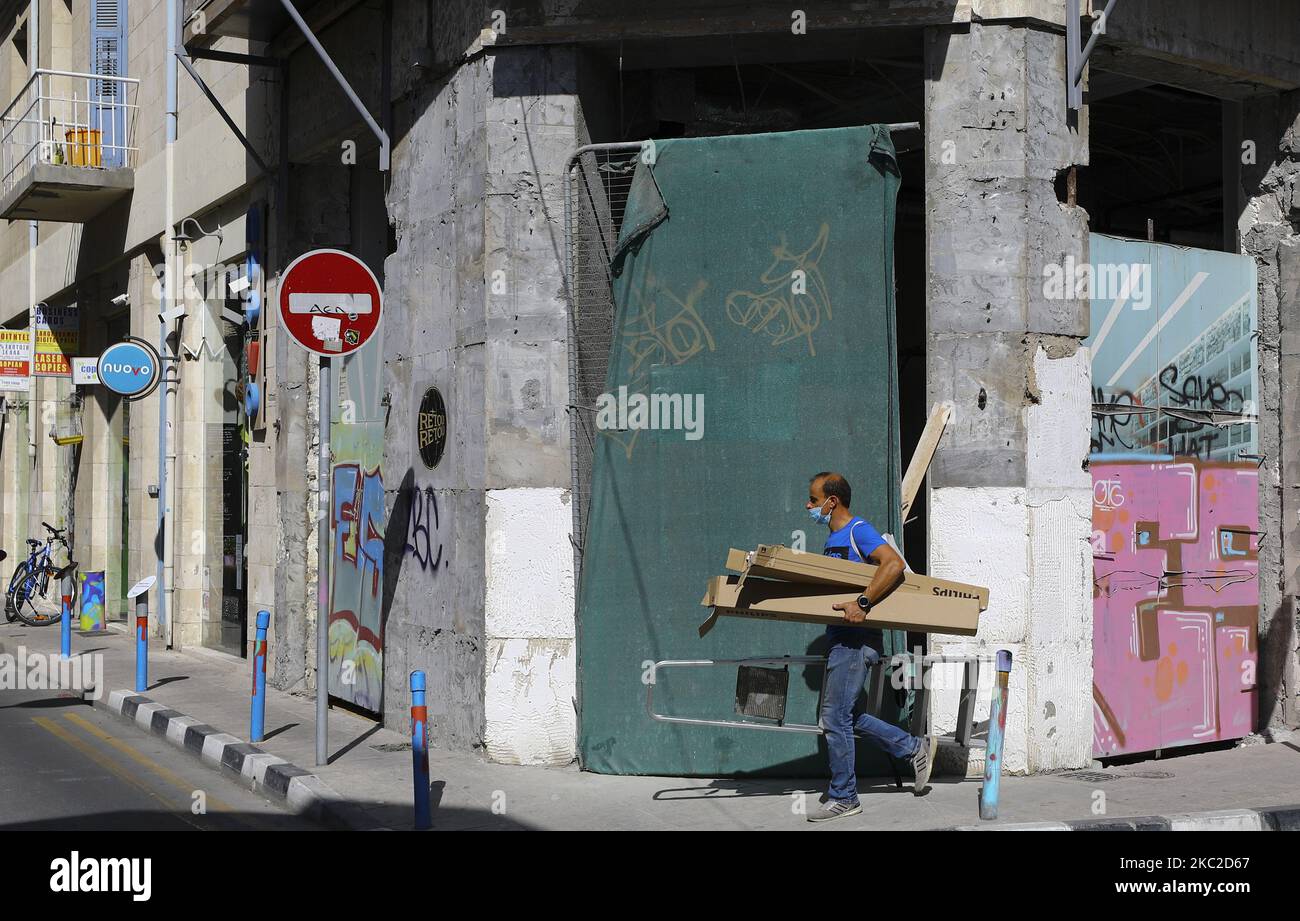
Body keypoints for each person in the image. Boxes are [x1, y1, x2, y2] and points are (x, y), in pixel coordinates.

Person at [804, 471, 937, 823]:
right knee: (846, 716)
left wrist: (862, 604)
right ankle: (913, 749)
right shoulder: (833, 539)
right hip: (840, 638)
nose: (809, 506)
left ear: (832, 502)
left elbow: (893, 565)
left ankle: (845, 797)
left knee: (835, 717)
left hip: (855, 639)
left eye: (814, 500)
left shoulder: (856, 530)